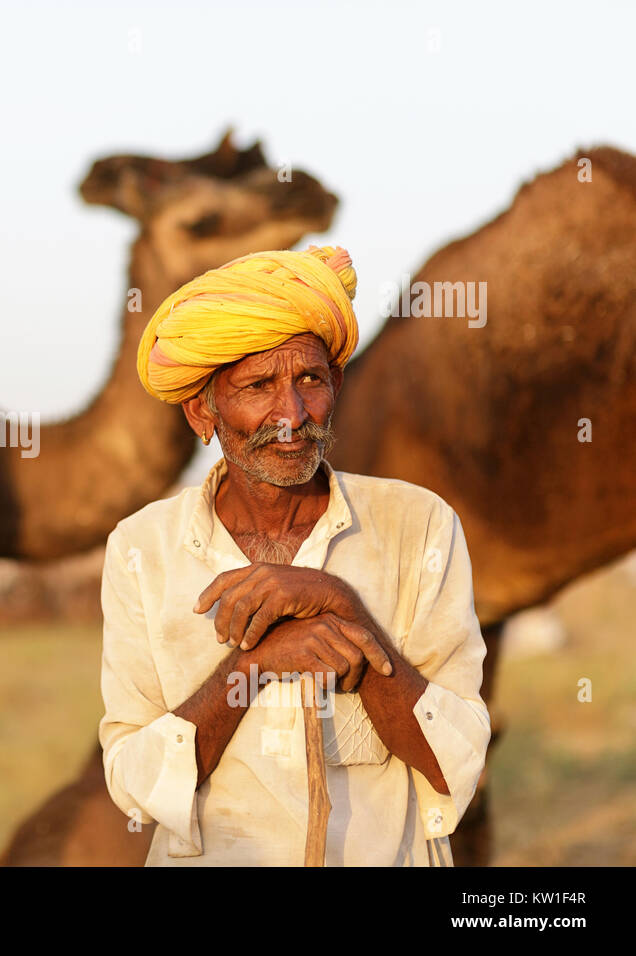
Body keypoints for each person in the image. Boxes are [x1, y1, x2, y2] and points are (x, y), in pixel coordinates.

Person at [99, 246, 490, 865]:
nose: (292, 416)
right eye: (258, 386)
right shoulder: (142, 549)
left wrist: (343, 607)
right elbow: (134, 781)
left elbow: (453, 762)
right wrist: (251, 669)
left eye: (310, 380)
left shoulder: (417, 525)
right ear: (203, 410)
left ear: (335, 384)